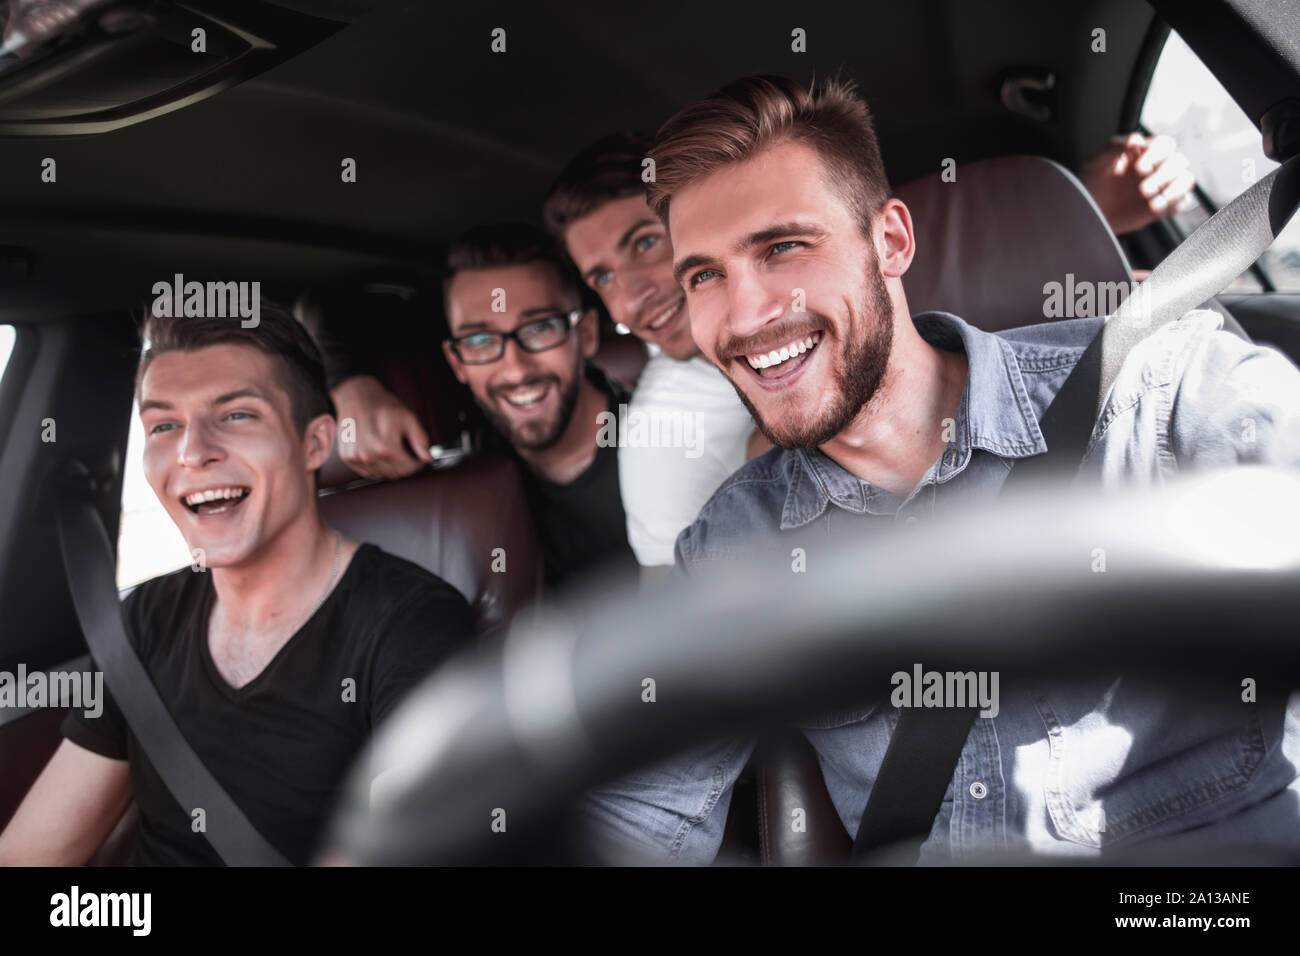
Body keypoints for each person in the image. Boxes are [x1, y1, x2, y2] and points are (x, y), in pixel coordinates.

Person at [582, 74, 1300, 864]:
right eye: (705, 275)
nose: (745, 315)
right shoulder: (732, 545)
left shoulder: (1165, 391)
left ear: (890, 240)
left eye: (783, 245)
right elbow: (638, 812)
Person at [0, 300, 474, 866]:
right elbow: (32, 855)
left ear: (314, 444)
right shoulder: (145, 619)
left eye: (236, 415)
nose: (192, 452)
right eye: (164, 425)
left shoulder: (412, 626)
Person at [544, 133, 763, 574]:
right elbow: (679, 618)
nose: (631, 300)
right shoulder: (661, 433)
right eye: (603, 277)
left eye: (644, 244)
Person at [439, 223, 638, 590]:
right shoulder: (464, 481)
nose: (515, 369)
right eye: (480, 340)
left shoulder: (663, 446)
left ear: (587, 334)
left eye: (539, 328)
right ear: (457, 363)